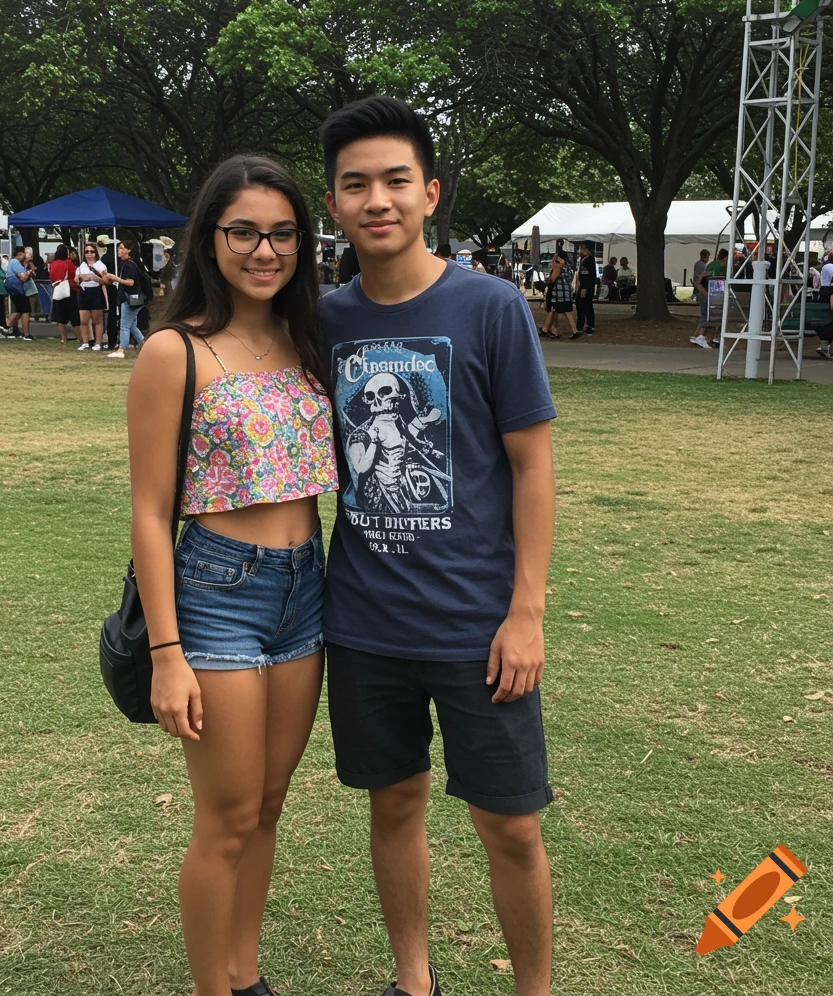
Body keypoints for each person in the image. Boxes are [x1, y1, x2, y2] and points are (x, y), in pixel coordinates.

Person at [319, 96, 556, 996]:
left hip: (478, 627)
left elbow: (533, 468)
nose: (376, 199)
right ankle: (412, 982)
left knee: (511, 826)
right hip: (365, 622)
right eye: (355, 184)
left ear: (429, 193)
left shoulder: (490, 307)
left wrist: (525, 612)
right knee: (395, 804)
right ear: (334, 203)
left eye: (394, 180)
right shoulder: (325, 319)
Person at [127, 154, 338, 996]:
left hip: (306, 584)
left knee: (271, 804)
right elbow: (149, 511)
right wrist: (166, 652)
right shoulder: (174, 351)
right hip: (217, 590)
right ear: (210, 238)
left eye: (282, 232)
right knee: (225, 820)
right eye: (244, 231)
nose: (264, 249)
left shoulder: (308, 338)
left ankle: (244, 976)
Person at [105, 239, 148, 357]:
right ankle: (145, 345)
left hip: (130, 299)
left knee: (124, 326)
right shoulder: (127, 264)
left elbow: (130, 283)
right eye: (119, 248)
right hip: (131, 299)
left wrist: (114, 278)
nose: (119, 250)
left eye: (122, 248)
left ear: (129, 250)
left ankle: (121, 350)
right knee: (132, 326)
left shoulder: (129, 265)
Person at [692, 249, 727, 348]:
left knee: (708, 317)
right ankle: (700, 337)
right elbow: (710, 281)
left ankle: (701, 337)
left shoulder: (711, 265)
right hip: (707, 293)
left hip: (705, 292)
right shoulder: (715, 268)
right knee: (708, 317)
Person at [76, 243, 108, 350]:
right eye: (87, 252)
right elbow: (76, 280)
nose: (89, 254)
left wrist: (94, 278)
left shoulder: (101, 265)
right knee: (83, 320)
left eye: (92, 251)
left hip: (96, 291)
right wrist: (80, 278)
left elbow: (106, 281)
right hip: (84, 291)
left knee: (97, 320)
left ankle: (98, 342)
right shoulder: (81, 266)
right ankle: (85, 342)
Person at [540, 251, 577, 339]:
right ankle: (551, 330)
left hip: (558, 293)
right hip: (566, 292)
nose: (554, 258)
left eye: (556, 257)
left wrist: (547, 281)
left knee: (561, 311)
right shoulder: (568, 267)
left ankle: (574, 331)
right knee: (556, 311)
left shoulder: (558, 267)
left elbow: (553, 279)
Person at [48, 244, 81, 343]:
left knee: (60, 317)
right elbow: (73, 275)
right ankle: (80, 338)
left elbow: (52, 278)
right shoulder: (68, 263)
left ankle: (64, 338)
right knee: (74, 316)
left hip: (58, 290)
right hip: (70, 290)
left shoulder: (52, 264)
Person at [5, 246, 35, 339]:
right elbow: (23, 278)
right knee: (26, 310)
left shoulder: (15, 263)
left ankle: (6, 325)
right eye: (24, 254)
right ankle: (26, 334)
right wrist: (30, 271)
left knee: (20, 310)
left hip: (14, 288)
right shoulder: (15, 262)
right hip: (16, 288)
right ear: (20, 254)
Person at [98, 235, 120, 350]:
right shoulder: (120, 258)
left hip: (109, 287)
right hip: (120, 286)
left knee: (110, 313)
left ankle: (111, 341)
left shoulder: (104, 258)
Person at [575, 240, 597, 334]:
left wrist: (585, 288)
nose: (581, 250)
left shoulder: (589, 260)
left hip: (586, 287)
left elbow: (588, 275)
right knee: (580, 306)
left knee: (587, 306)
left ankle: (590, 325)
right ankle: (580, 325)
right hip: (581, 286)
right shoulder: (583, 259)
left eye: (583, 248)